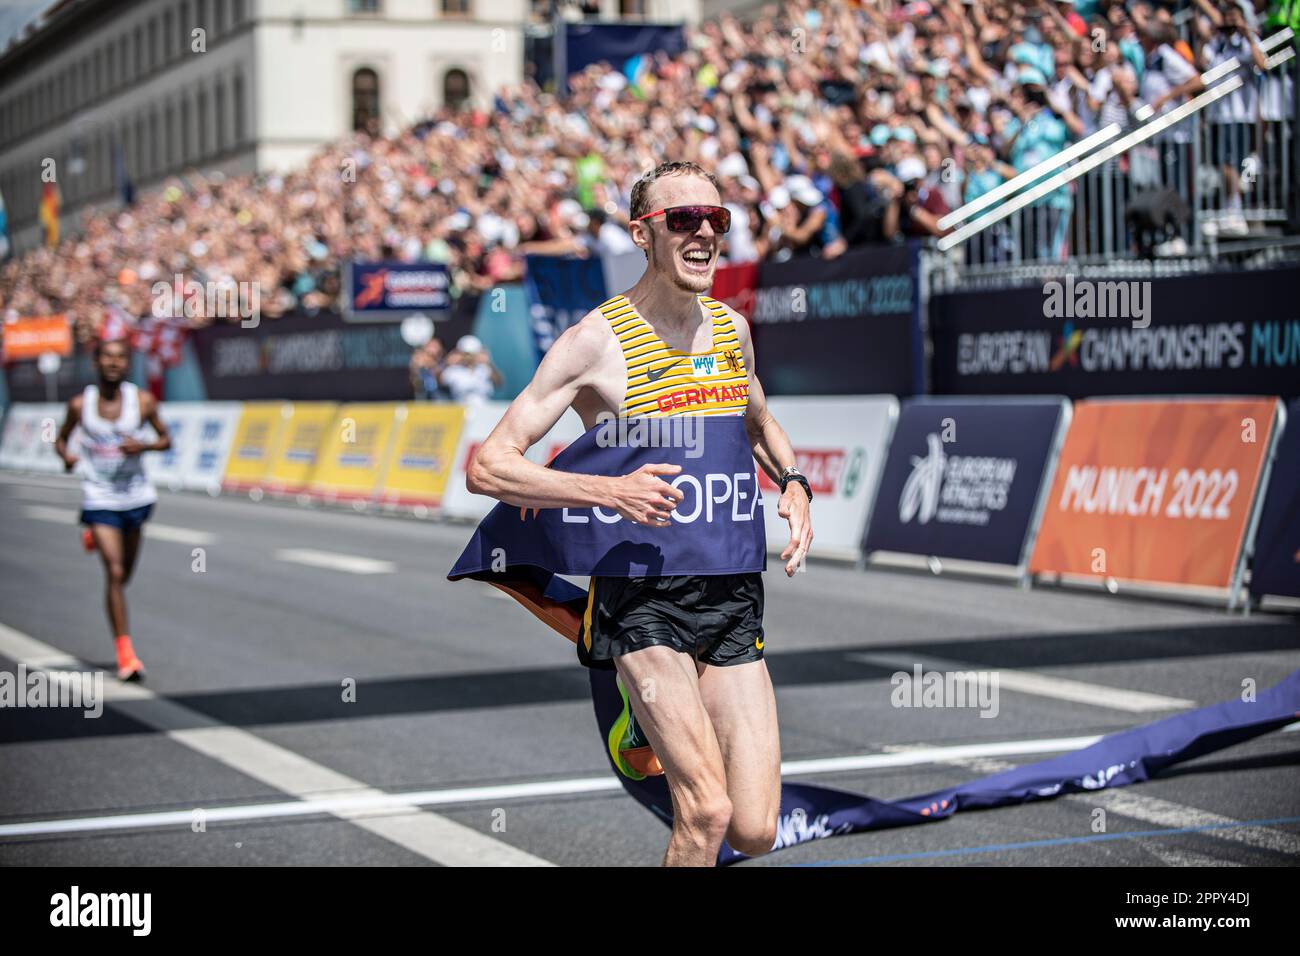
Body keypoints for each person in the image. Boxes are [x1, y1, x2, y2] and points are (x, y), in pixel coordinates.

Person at [466, 161, 813, 866]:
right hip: (641, 600)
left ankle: (639, 716)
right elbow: (489, 465)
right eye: (682, 220)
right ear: (643, 236)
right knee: (705, 813)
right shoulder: (597, 341)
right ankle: (637, 695)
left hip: (731, 592)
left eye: (715, 219)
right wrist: (608, 492)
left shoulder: (730, 331)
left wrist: (796, 482)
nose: (704, 233)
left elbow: (759, 425)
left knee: (755, 829)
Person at [54, 338, 172, 682]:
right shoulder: (80, 405)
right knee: (116, 573)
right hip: (99, 496)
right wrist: (66, 457)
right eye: (108, 357)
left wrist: (145, 445)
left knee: (127, 575)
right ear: (96, 363)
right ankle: (126, 654)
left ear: (127, 364)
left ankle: (95, 537)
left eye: (121, 358)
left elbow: (167, 439)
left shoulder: (143, 401)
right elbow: (61, 438)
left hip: (135, 496)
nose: (114, 363)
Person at [439, 335, 503, 405]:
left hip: (484, 410)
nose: (469, 358)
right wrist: (446, 363)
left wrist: (489, 363)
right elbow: (438, 381)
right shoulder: (453, 370)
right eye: (466, 354)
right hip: (460, 410)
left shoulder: (484, 369)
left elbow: (499, 382)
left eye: (472, 354)